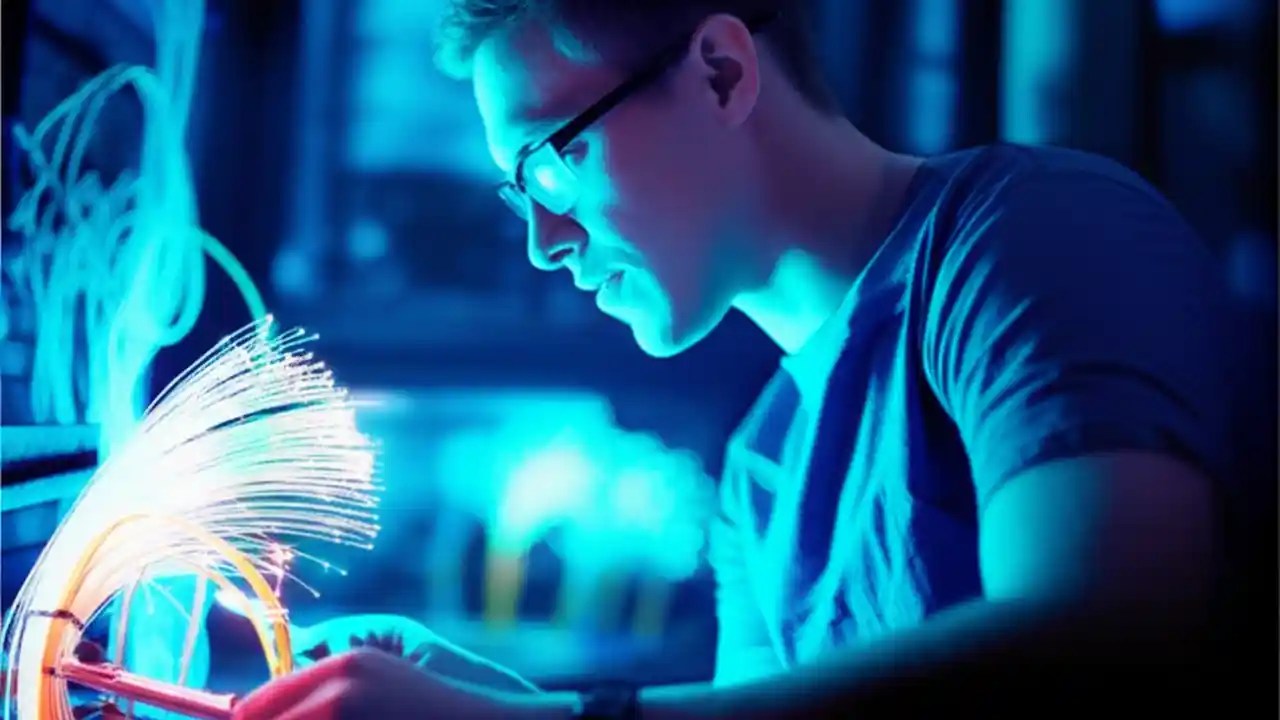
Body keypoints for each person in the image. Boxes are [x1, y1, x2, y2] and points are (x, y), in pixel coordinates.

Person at [234, 1, 1247, 717]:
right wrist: (475, 697)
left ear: (720, 71)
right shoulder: (763, 471)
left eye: (554, 156)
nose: (543, 239)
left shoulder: (1022, 236)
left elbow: (1110, 631)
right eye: (515, 189)